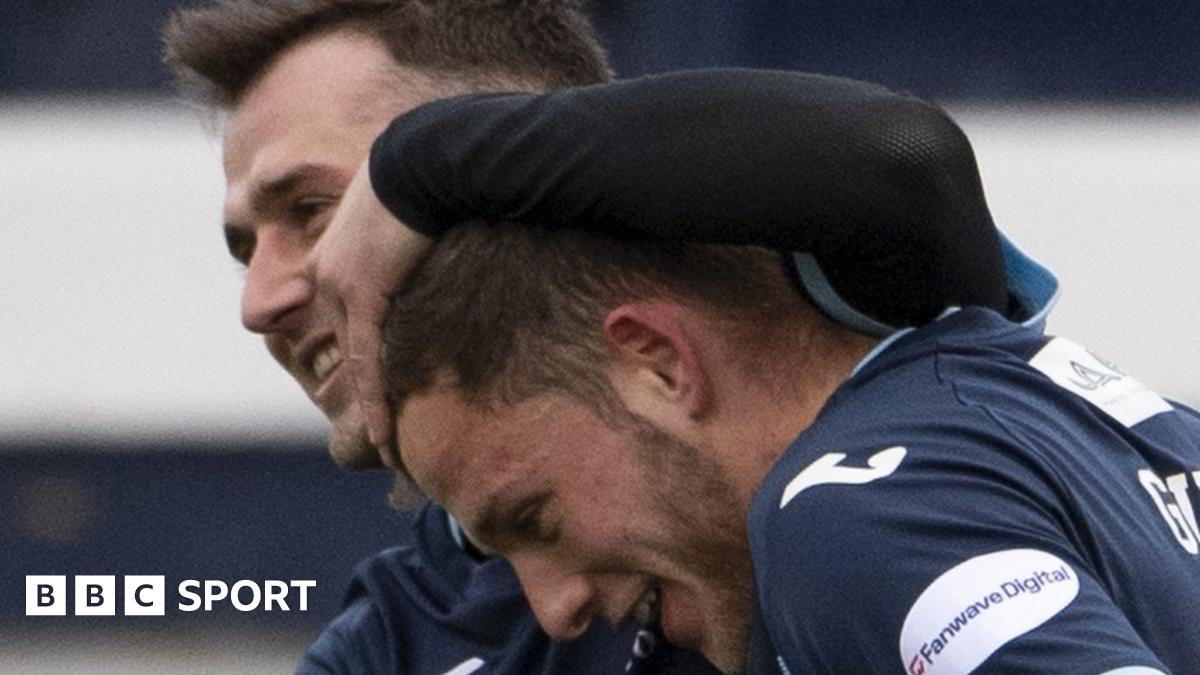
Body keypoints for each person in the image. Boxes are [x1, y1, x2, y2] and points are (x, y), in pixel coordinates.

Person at [161, 2, 1053, 672]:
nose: (261, 299)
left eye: (313, 211)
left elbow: (902, 159)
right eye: (245, 248)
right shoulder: (407, 633)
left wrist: (423, 167)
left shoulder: (825, 329)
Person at [368, 71, 1199, 674]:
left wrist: (408, 165)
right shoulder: (1127, 425)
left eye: (534, 518)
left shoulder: (848, 509)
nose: (556, 609)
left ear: (655, 362)